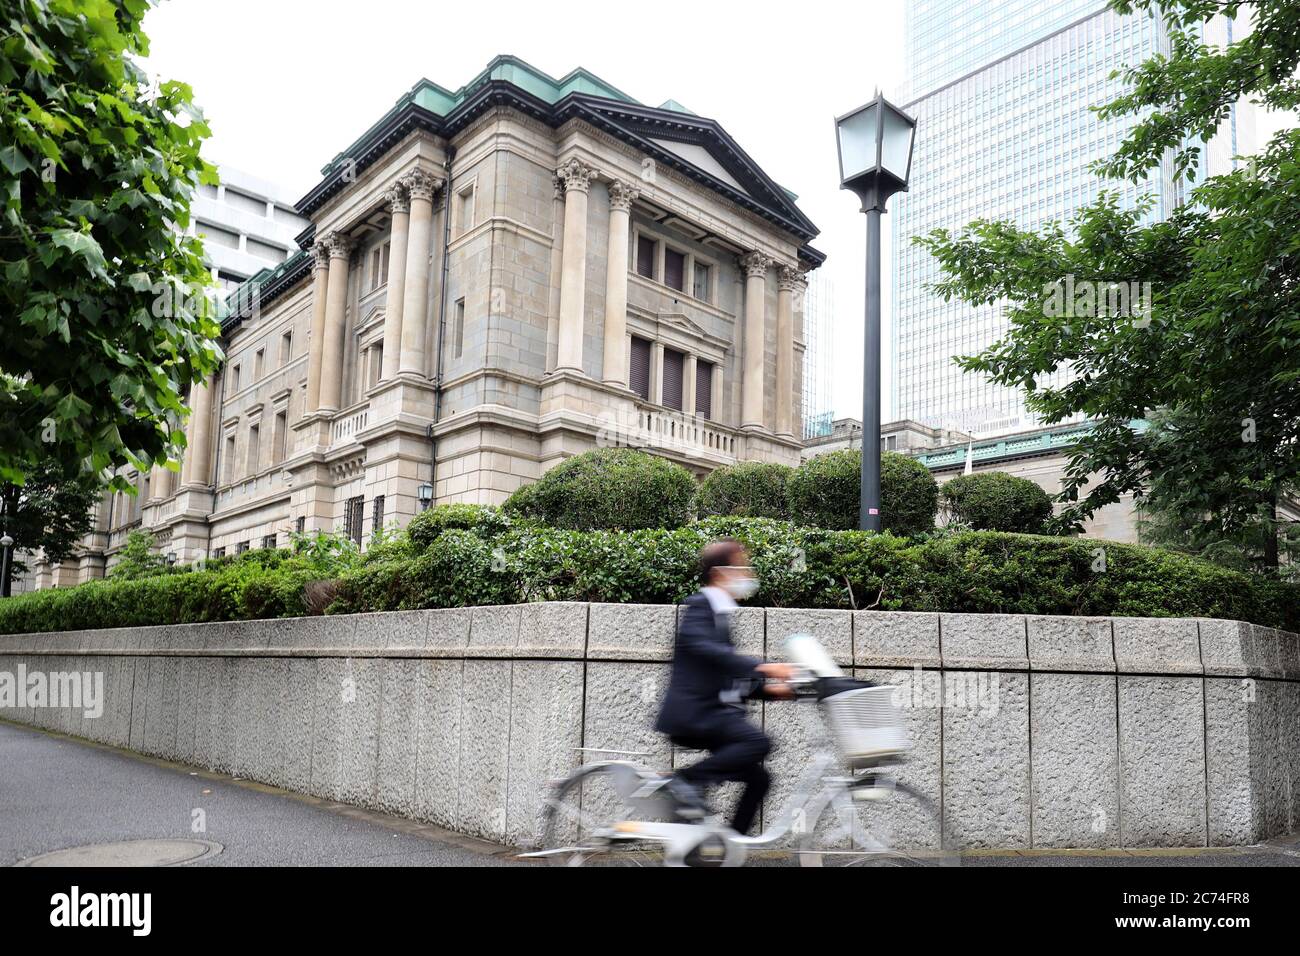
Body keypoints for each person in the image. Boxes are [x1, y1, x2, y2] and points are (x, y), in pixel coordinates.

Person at [654, 538, 796, 835]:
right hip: (695, 715)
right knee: (758, 742)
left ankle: (732, 845)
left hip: (712, 713)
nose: (747, 575)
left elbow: (725, 674)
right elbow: (708, 650)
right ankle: (684, 781)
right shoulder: (699, 606)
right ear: (720, 573)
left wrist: (770, 690)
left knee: (760, 779)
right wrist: (764, 666)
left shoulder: (720, 614)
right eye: (742, 567)